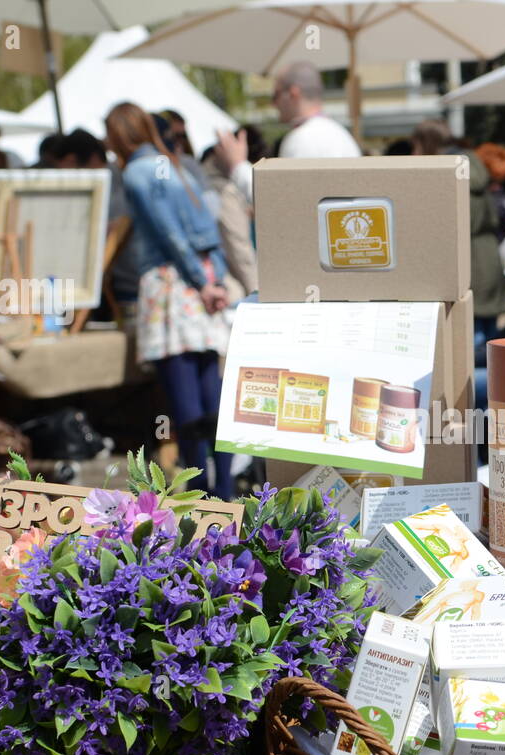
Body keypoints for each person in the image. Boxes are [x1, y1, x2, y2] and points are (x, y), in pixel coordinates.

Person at [105, 102, 236, 500]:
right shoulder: (173, 163)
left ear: (118, 135)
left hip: (169, 285)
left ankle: (201, 495)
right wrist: (211, 279)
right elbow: (205, 227)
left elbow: (167, 233)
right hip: (200, 283)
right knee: (209, 390)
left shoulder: (137, 172)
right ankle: (225, 490)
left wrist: (197, 279)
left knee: (184, 402)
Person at [411, 119, 505, 360]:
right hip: (488, 262)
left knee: (468, 355)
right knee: (488, 347)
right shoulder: (474, 168)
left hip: (467, 266)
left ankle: (477, 398)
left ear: (425, 143)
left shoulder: (444, 173)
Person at [215, 61, 360, 203]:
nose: (273, 103)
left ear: (293, 94)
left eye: (275, 95)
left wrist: (238, 165)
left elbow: (280, 202)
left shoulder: (302, 139)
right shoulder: (341, 134)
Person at [199, 125, 265, 299]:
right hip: (233, 290)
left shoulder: (202, 179)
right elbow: (238, 247)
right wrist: (258, 292)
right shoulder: (225, 190)